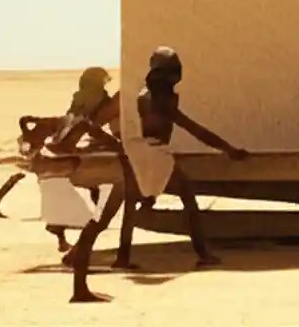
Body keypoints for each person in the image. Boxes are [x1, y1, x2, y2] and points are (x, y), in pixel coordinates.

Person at [69, 47, 250, 303]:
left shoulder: (134, 95)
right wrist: (228, 149)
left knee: (123, 207)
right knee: (187, 198)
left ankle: (121, 257)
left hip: (133, 153)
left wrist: (106, 141)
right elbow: (195, 129)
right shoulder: (162, 100)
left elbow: (98, 118)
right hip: (155, 155)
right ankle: (202, 253)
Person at [0, 67, 112, 219]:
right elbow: (75, 119)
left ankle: (99, 213)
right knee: (32, 167)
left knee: (32, 167)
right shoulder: (91, 97)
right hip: (71, 138)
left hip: (71, 137)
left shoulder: (86, 96)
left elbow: (72, 118)